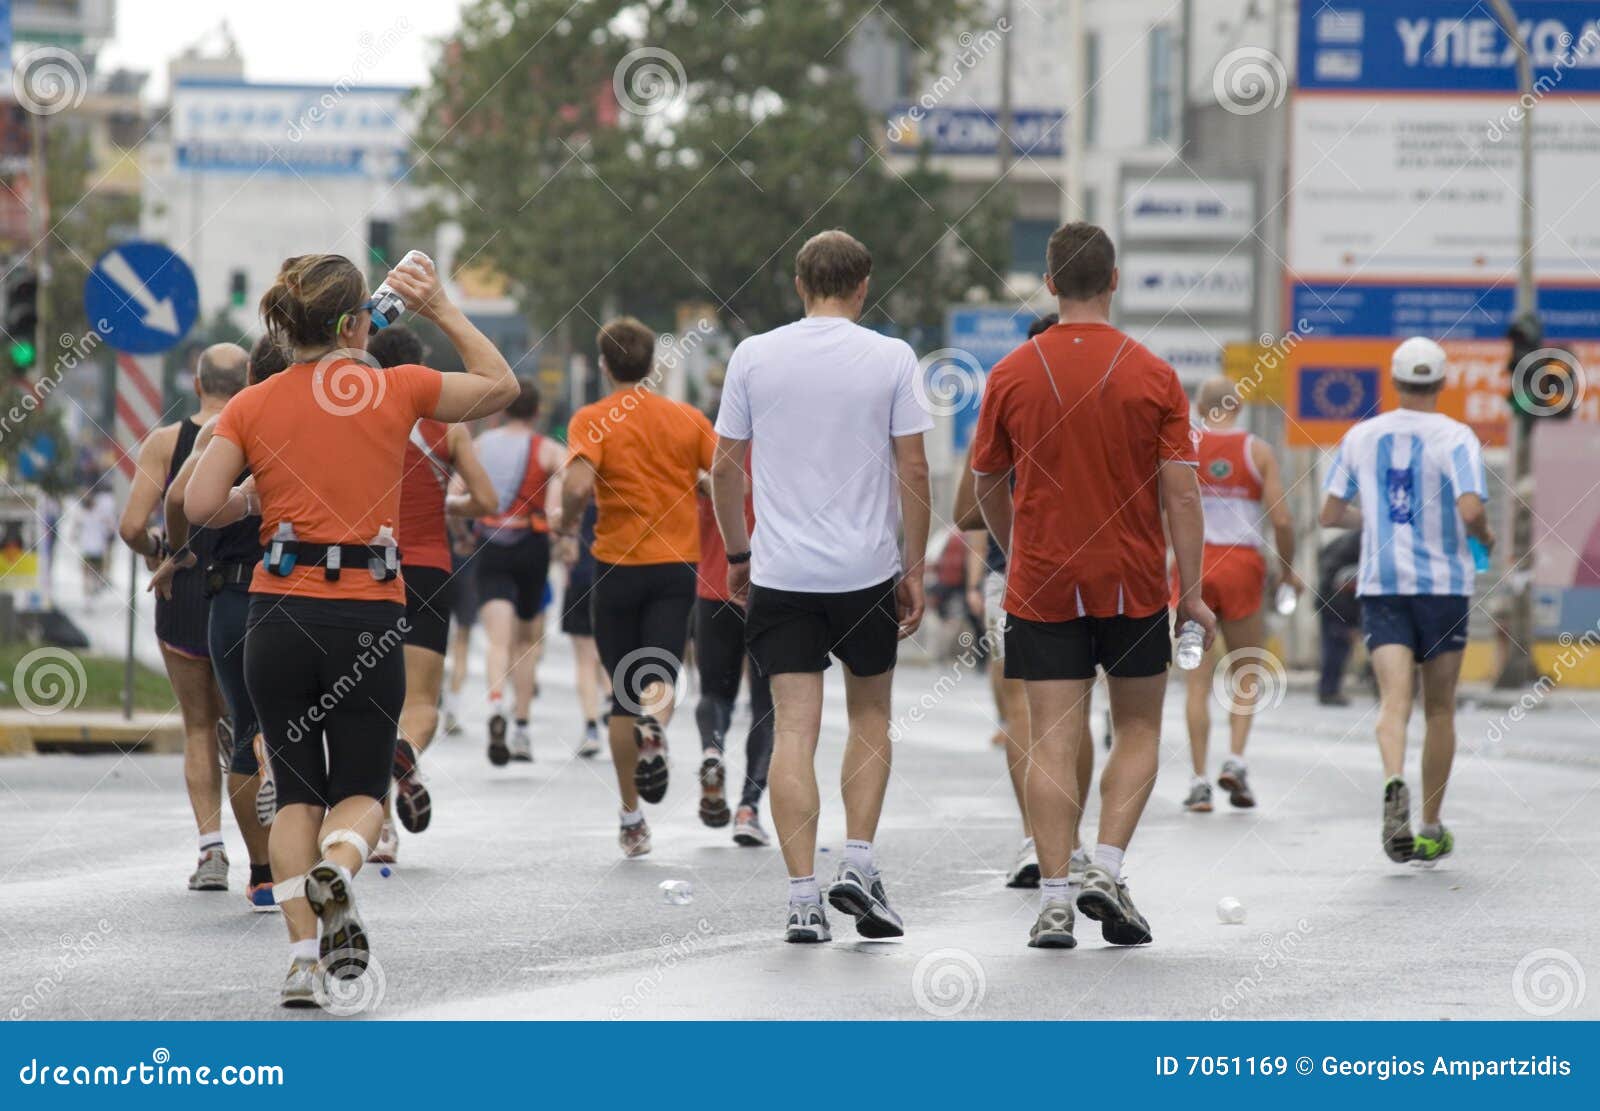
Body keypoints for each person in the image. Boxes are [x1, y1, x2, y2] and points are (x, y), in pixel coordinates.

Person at [185, 252, 516, 1008]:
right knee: (363, 784)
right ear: (353, 323)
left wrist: (254, 493)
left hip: (275, 610)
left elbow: (201, 505)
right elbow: (501, 384)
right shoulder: (393, 387)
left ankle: (303, 959)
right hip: (368, 608)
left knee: (295, 788)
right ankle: (342, 861)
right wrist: (438, 307)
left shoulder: (253, 403)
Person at [971, 221, 1214, 950]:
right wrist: (1193, 590)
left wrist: (1019, 550)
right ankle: (1105, 866)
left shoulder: (1011, 373)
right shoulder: (1155, 375)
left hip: (1042, 584)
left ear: (1049, 284)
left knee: (1050, 737)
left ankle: (1052, 896)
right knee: (1138, 727)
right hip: (1132, 581)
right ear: (1114, 280)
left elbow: (985, 481)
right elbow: (1182, 495)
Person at [711, 230, 931, 943]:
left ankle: (803, 898)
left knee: (792, 732)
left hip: (781, 573)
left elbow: (724, 469)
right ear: (863, 287)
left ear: (799, 283)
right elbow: (915, 471)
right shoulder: (892, 358)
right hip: (864, 571)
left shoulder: (754, 356)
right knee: (870, 717)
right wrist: (916, 564)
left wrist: (739, 552)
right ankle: (859, 864)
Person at [1319, 336, 1491, 866]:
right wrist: (1486, 538)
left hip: (1384, 585)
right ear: (1441, 384)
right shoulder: (1457, 437)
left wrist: (1374, 517)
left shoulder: (1362, 436)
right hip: (1442, 588)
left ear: (1394, 382)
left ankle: (1394, 778)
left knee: (1394, 700)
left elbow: (1330, 514)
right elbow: (1468, 511)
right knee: (1439, 708)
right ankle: (1432, 825)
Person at [558, 317, 716, 858]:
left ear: (604, 366)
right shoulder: (686, 418)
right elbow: (726, 474)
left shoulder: (593, 419)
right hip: (676, 565)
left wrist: (565, 522)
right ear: (651, 365)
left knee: (620, 692)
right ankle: (657, 721)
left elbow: (579, 484)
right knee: (660, 674)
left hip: (615, 565)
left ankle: (631, 818)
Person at [952, 312, 1097, 890]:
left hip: (1012, 575)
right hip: (1091, 574)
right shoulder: (1101, 406)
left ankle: (1036, 842)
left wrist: (1015, 543)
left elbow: (967, 510)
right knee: (1076, 712)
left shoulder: (1007, 396)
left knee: (1022, 712)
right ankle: (1075, 843)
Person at [156, 336, 289, 911]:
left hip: (232, 592)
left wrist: (181, 552)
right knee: (304, 726)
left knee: (237, 730)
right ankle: (303, 858)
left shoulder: (230, 423)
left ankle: (260, 873)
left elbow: (181, 497)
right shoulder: (319, 420)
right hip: (302, 589)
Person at [118, 344, 249, 894]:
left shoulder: (167, 443)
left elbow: (130, 527)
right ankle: (270, 855)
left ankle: (211, 850)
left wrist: (160, 551)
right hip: (245, 585)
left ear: (197, 386)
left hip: (184, 589)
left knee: (197, 725)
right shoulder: (254, 434)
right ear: (248, 385)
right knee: (252, 724)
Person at [369, 323, 498, 860]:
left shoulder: (363, 416)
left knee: (369, 703)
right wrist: (449, 505)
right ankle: (407, 751)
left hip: (370, 568)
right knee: (421, 702)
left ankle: (379, 832)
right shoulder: (449, 427)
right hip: (428, 568)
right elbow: (486, 500)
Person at [1177, 377, 1303, 813]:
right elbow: (1283, 522)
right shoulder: (1258, 452)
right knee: (1246, 671)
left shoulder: (1184, 446)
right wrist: (1287, 572)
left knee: (1197, 680)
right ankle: (1235, 759)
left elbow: (1162, 510)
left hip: (1193, 566)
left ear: (1198, 404)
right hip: (1242, 565)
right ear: (1239, 405)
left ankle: (1197, 782)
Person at [472, 380, 566, 765]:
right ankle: (522, 727)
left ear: (505, 409)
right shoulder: (547, 449)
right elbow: (560, 504)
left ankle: (495, 703)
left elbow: (459, 492)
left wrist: (466, 533)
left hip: (490, 543)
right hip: (531, 544)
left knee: (498, 640)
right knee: (527, 642)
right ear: (537, 411)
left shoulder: (480, 445)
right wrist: (562, 533)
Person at [693, 453, 774, 846]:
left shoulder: (709, 455)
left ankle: (712, 749)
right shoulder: (785, 447)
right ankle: (747, 810)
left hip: (713, 586)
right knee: (767, 705)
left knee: (713, 693)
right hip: (773, 589)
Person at [555, 501, 610, 757]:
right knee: (610, 649)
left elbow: (557, 516)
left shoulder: (577, 475)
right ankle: (611, 697)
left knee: (584, 658)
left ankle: (591, 729)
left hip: (581, 571)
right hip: (615, 570)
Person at [441, 517, 479, 736]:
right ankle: (452, 707)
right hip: (468, 568)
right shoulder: (477, 487)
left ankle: (438, 692)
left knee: (433, 641)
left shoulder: (438, 484)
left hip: (440, 565)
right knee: (462, 642)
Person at [1316, 529, 1363, 705]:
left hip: (1338, 604)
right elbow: (1333, 585)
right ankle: (1328, 690)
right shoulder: (1352, 546)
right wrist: (1349, 622)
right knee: (1335, 649)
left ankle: (1330, 689)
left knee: (1338, 649)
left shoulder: (1351, 544)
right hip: (1333, 606)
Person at [78, 483, 118, 600]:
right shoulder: (98, 514)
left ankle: (88, 595)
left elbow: (74, 531)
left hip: (88, 548)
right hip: (97, 549)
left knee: (87, 574)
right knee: (95, 572)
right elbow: (111, 526)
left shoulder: (83, 515)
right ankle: (93, 589)